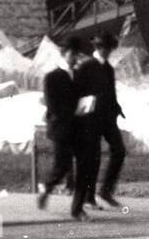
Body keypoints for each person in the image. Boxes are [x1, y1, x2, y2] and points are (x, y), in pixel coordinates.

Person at [74, 31, 126, 209]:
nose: (108, 52)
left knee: (119, 150)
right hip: (90, 119)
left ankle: (106, 190)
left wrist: (117, 108)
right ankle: (89, 198)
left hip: (108, 118)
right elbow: (77, 92)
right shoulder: (86, 66)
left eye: (109, 49)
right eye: (106, 48)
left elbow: (112, 93)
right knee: (93, 157)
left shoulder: (108, 68)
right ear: (98, 47)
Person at [37, 37, 84, 211]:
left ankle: (78, 208)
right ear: (64, 54)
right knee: (62, 166)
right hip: (61, 128)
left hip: (79, 127)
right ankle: (47, 188)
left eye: (77, 54)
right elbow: (52, 105)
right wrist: (73, 112)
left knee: (84, 165)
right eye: (72, 54)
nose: (75, 58)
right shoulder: (52, 77)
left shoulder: (79, 75)